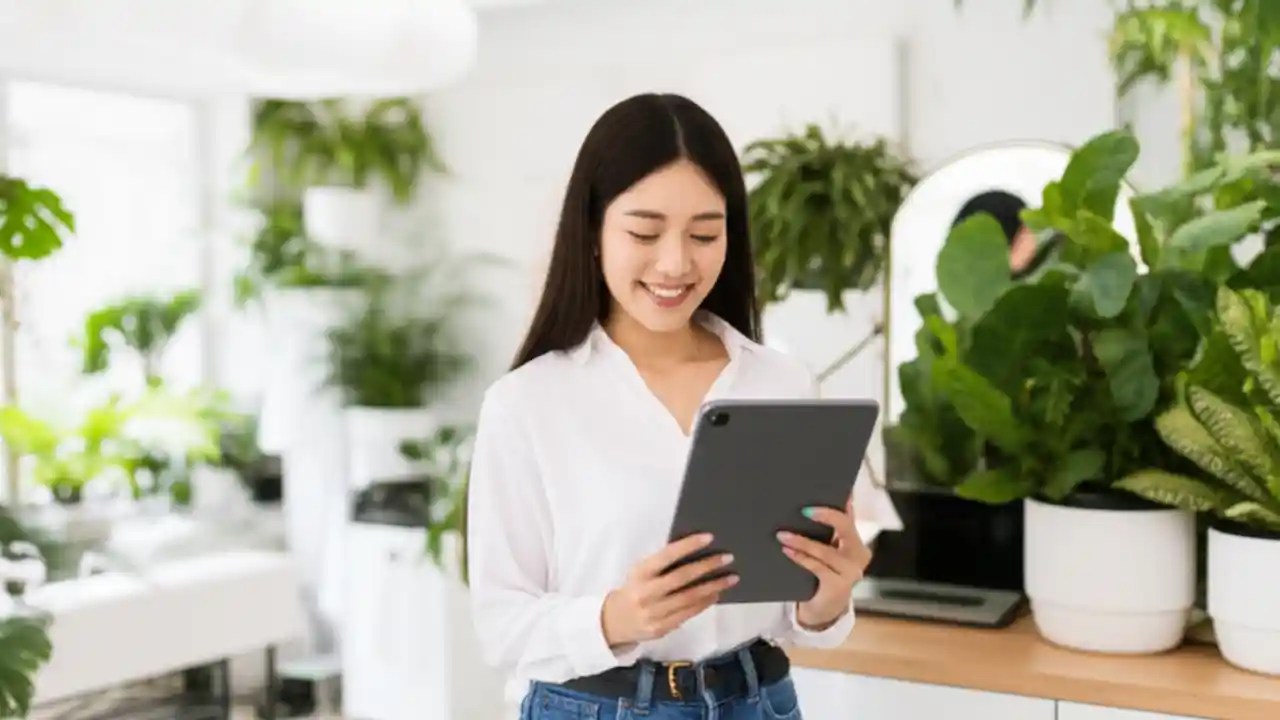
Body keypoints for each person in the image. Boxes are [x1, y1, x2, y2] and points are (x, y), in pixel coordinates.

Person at [466, 92, 873, 720]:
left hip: (759, 700)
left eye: (705, 234)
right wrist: (616, 617)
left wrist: (829, 594)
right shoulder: (527, 404)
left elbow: (802, 620)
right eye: (644, 232)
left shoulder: (780, 382)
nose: (676, 262)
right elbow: (501, 625)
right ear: (593, 231)